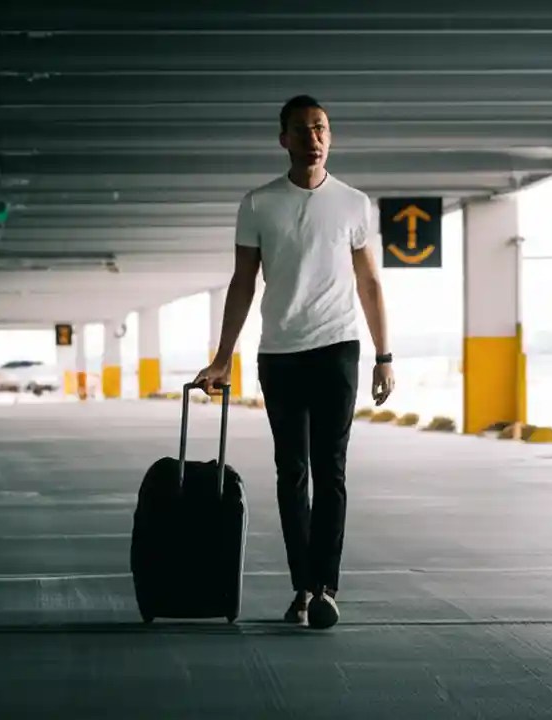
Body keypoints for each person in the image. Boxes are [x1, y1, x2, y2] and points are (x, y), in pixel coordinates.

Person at [193, 94, 394, 630]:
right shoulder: (258, 204)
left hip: (338, 348)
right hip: (280, 353)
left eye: (322, 128)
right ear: (283, 139)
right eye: (302, 130)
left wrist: (384, 355)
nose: (314, 138)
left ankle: (324, 587)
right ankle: (302, 585)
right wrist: (221, 357)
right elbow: (242, 282)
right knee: (292, 473)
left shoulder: (353, 203)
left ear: (331, 136)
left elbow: (370, 281)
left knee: (331, 470)